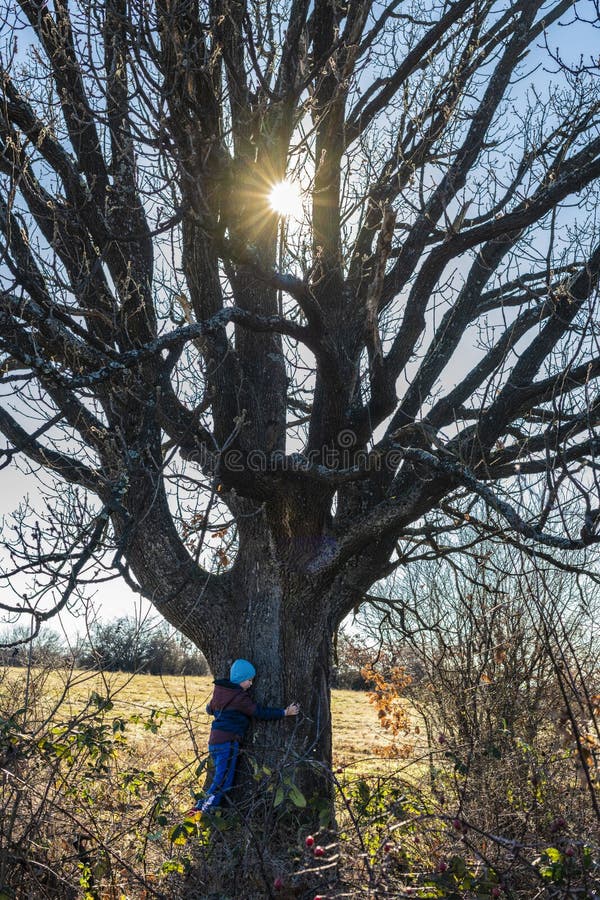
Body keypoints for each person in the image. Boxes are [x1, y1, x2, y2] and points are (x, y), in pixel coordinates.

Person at [187, 658, 300, 817]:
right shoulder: (240, 698)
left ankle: (204, 810)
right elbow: (259, 712)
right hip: (228, 742)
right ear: (241, 679)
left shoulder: (221, 691)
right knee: (222, 782)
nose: (251, 684)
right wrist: (284, 712)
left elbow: (209, 709)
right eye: (249, 680)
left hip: (215, 742)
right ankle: (201, 811)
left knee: (221, 779)